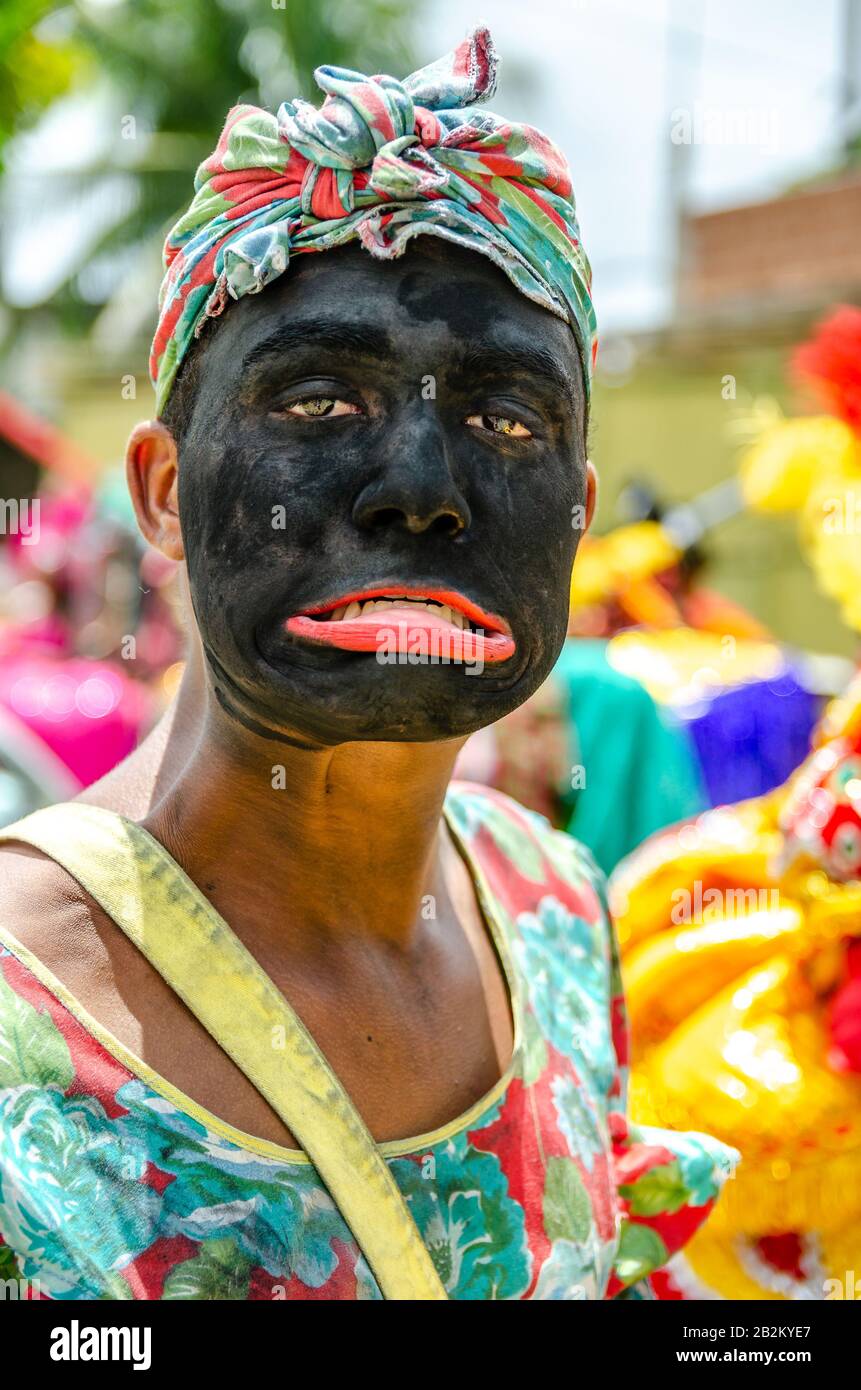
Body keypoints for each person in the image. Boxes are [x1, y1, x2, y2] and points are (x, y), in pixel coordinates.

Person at [0, 28, 735, 1301]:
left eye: (509, 419)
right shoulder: (24, 1017)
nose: (424, 493)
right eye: (319, 401)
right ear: (165, 495)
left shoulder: (553, 903)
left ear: (578, 513)